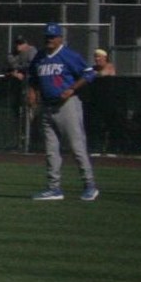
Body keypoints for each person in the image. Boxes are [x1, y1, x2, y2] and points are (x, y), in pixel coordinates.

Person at [27, 23, 99, 201]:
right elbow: (33, 77)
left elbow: (89, 73)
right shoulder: (40, 56)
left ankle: (90, 185)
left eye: (53, 37)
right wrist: (32, 91)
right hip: (47, 105)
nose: (49, 40)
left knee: (76, 147)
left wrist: (72, 88)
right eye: (47, 37)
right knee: (51, 150)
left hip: (67, 105)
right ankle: (54, 188)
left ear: (60, 38)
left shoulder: (68, 55)